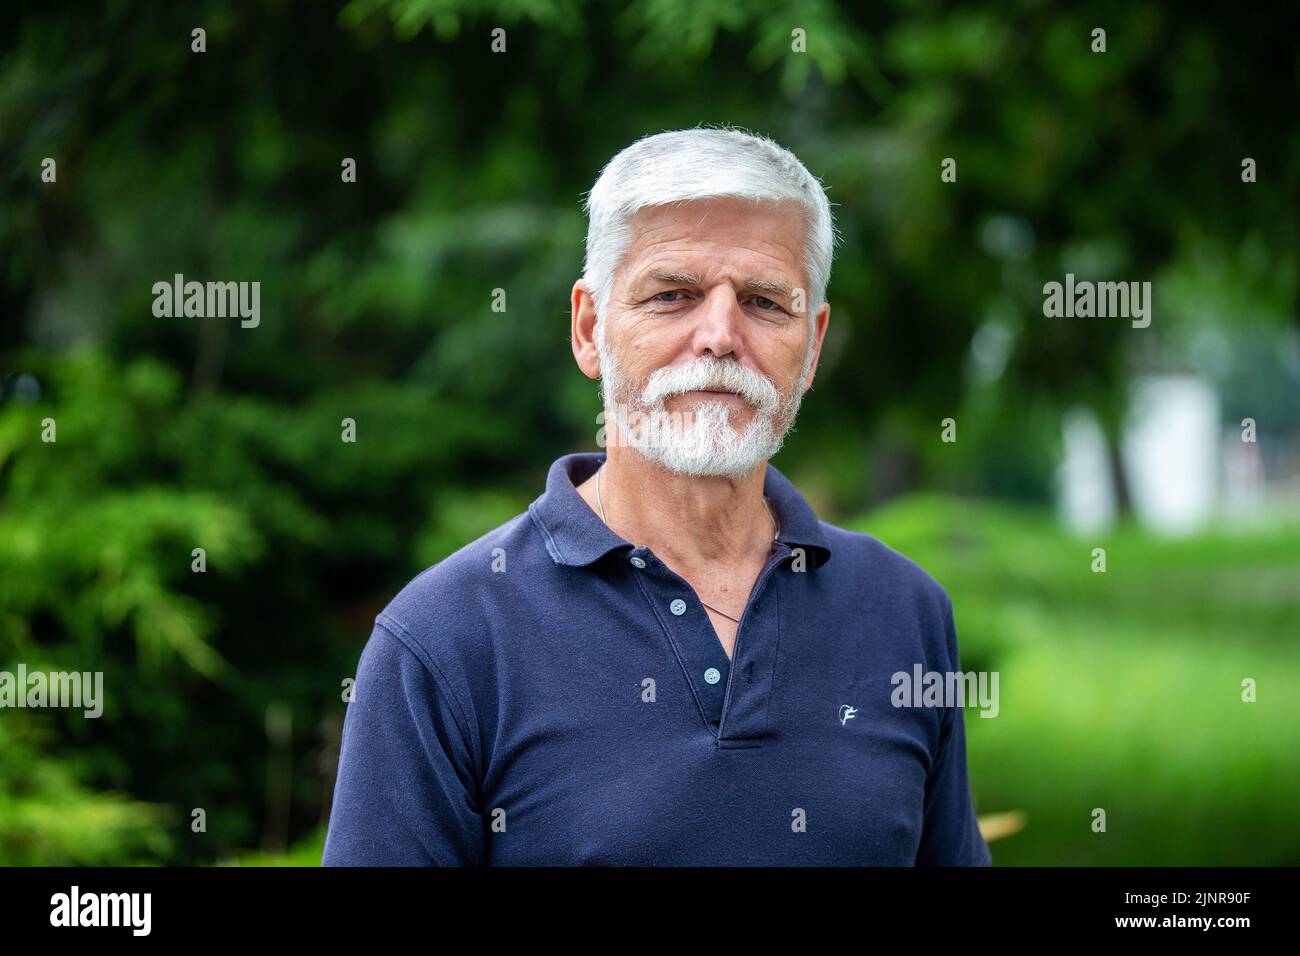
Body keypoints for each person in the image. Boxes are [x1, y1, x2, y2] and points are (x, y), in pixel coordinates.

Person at [322, 127, 992, 866]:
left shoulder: (904, 612)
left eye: (766, 302)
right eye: (673, 295)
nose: (720, 335)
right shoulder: (445, 639)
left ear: (814, 346)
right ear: (589, 328)